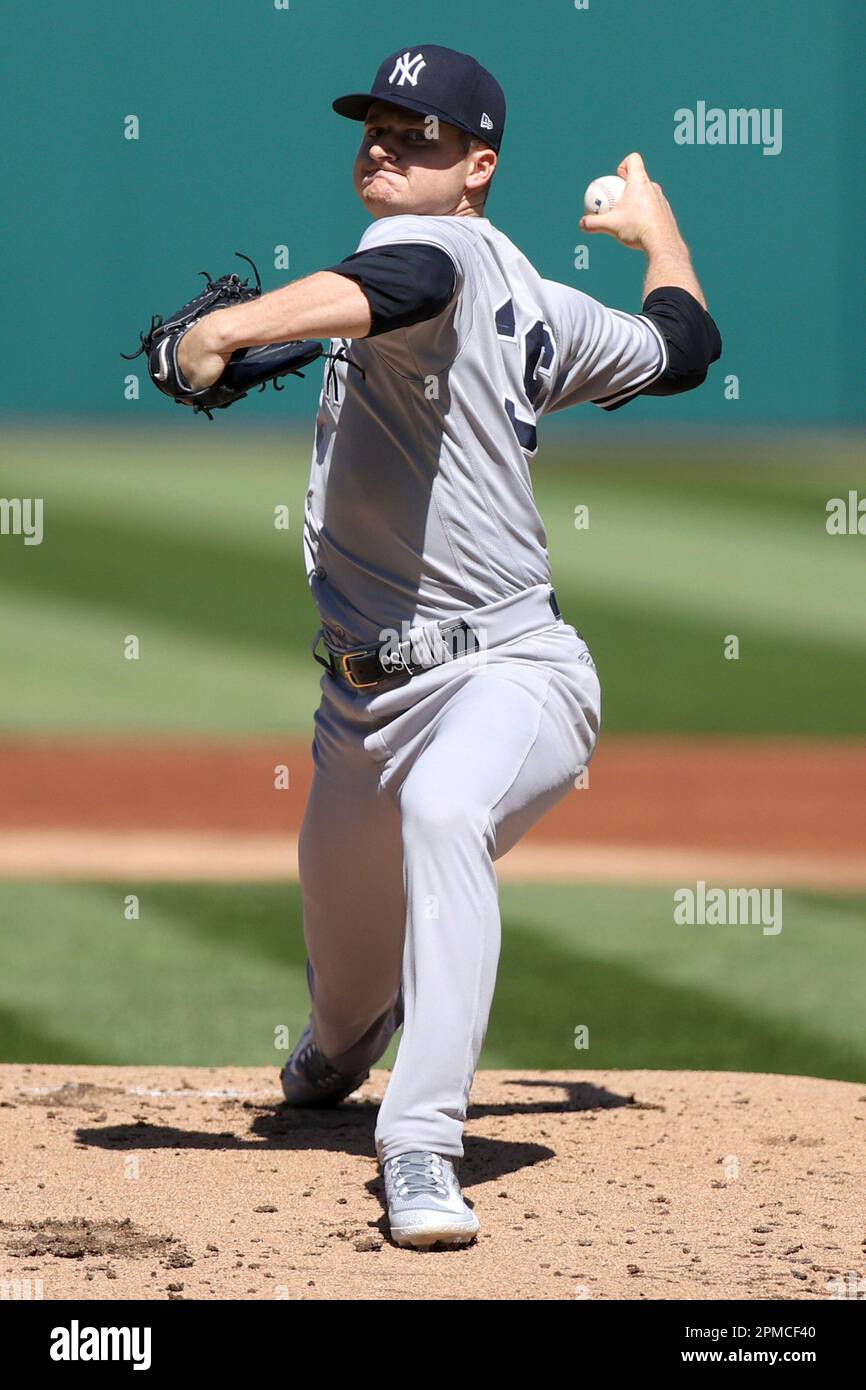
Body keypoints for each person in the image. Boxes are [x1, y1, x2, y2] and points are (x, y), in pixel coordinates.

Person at [177, 44, 722, 1249]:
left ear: (477, 169)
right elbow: (682, 343)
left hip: (510, 672)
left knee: (443, 809)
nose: (383, 144)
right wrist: (658, 234)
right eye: (375, 123)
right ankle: (346, 1042)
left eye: (418, 136)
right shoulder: (540, 298)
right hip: (358, 711)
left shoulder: (438, 251)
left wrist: (229, 325)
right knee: (342, 999)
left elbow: (406, 282)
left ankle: (420, 1143)